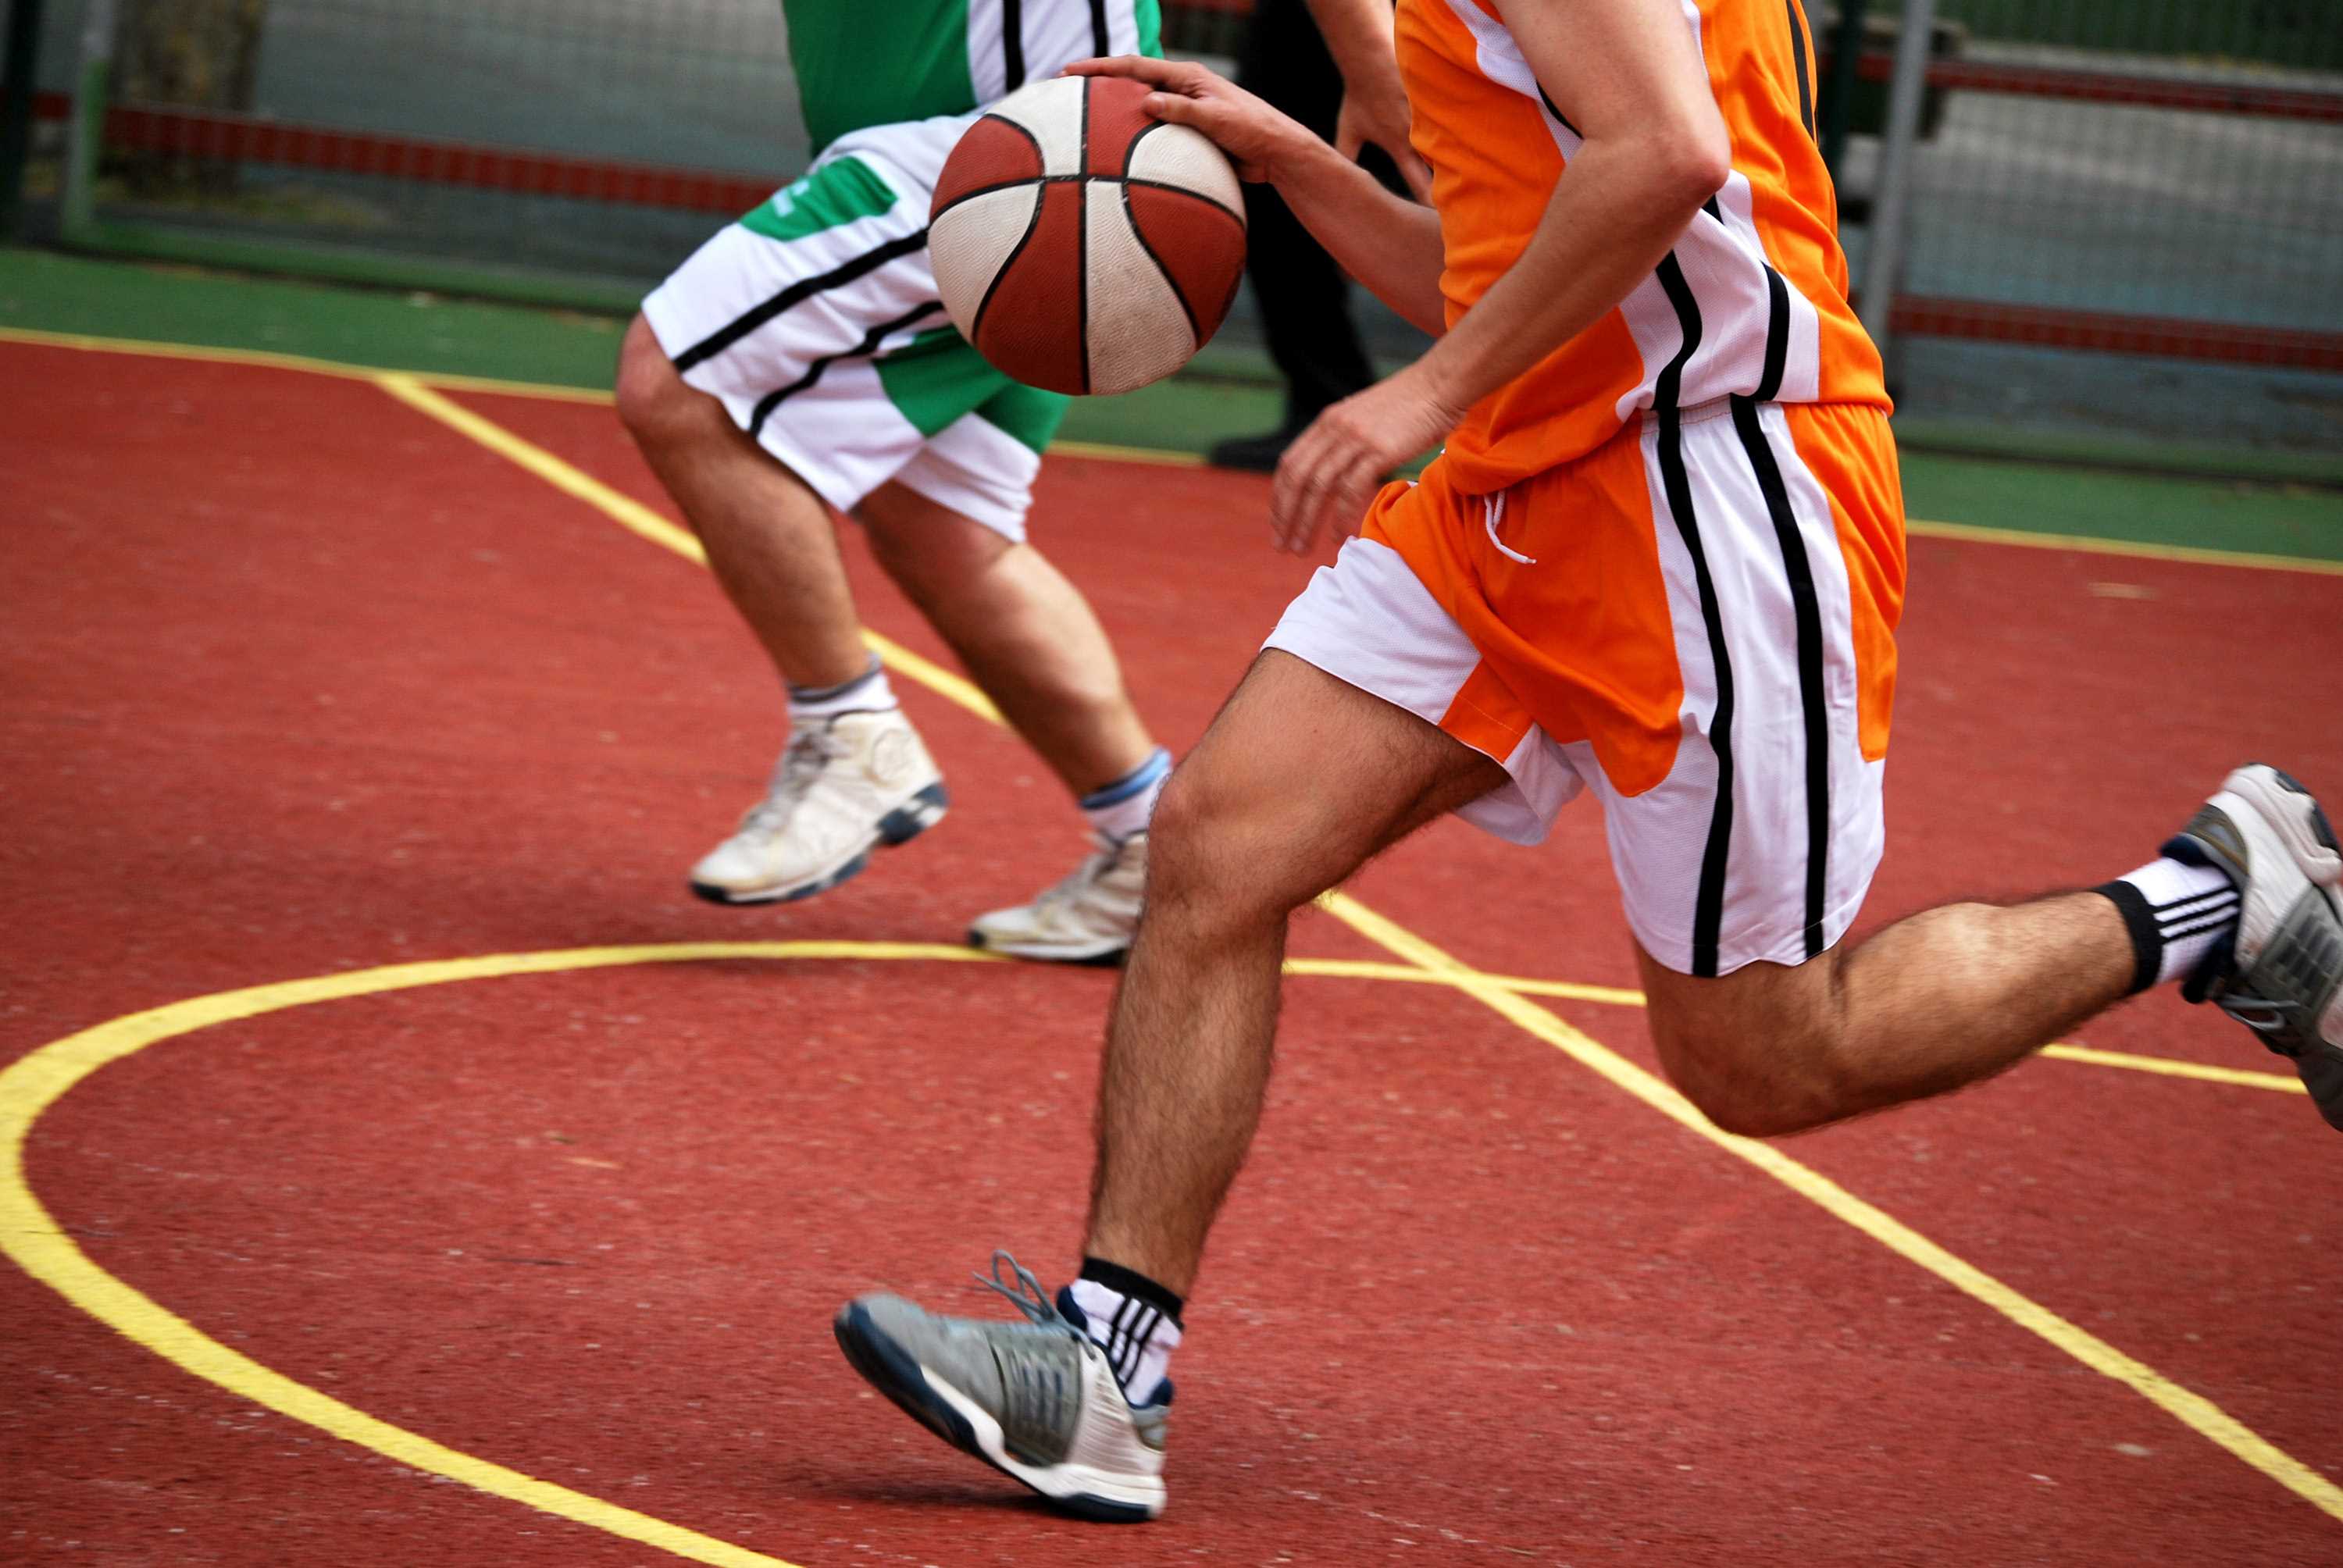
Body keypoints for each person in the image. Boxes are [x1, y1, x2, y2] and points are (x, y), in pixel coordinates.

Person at [829, 0, 2343, 1522]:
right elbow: (1495, 275)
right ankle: (1108, 1368)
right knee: (1218, 847)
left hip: (1714, 484)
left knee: (1764, 1055)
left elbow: (1667, 159)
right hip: (1521, 476)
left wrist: (1414, 395)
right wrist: (1292, 163)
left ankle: (2221, 896)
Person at [614, 0, 1176, 962]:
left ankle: (850, 741)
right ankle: (1157, 853)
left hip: (1029, 148)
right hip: (1008, 151)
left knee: (677, 383)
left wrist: (1370, 57)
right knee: (946, 527)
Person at [1205, 0, 1427, 474]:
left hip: (1357, 25)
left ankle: (1339, 401)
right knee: (1277, 181)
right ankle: (1329, 400)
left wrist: (1371, 57)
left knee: (1277, 186)